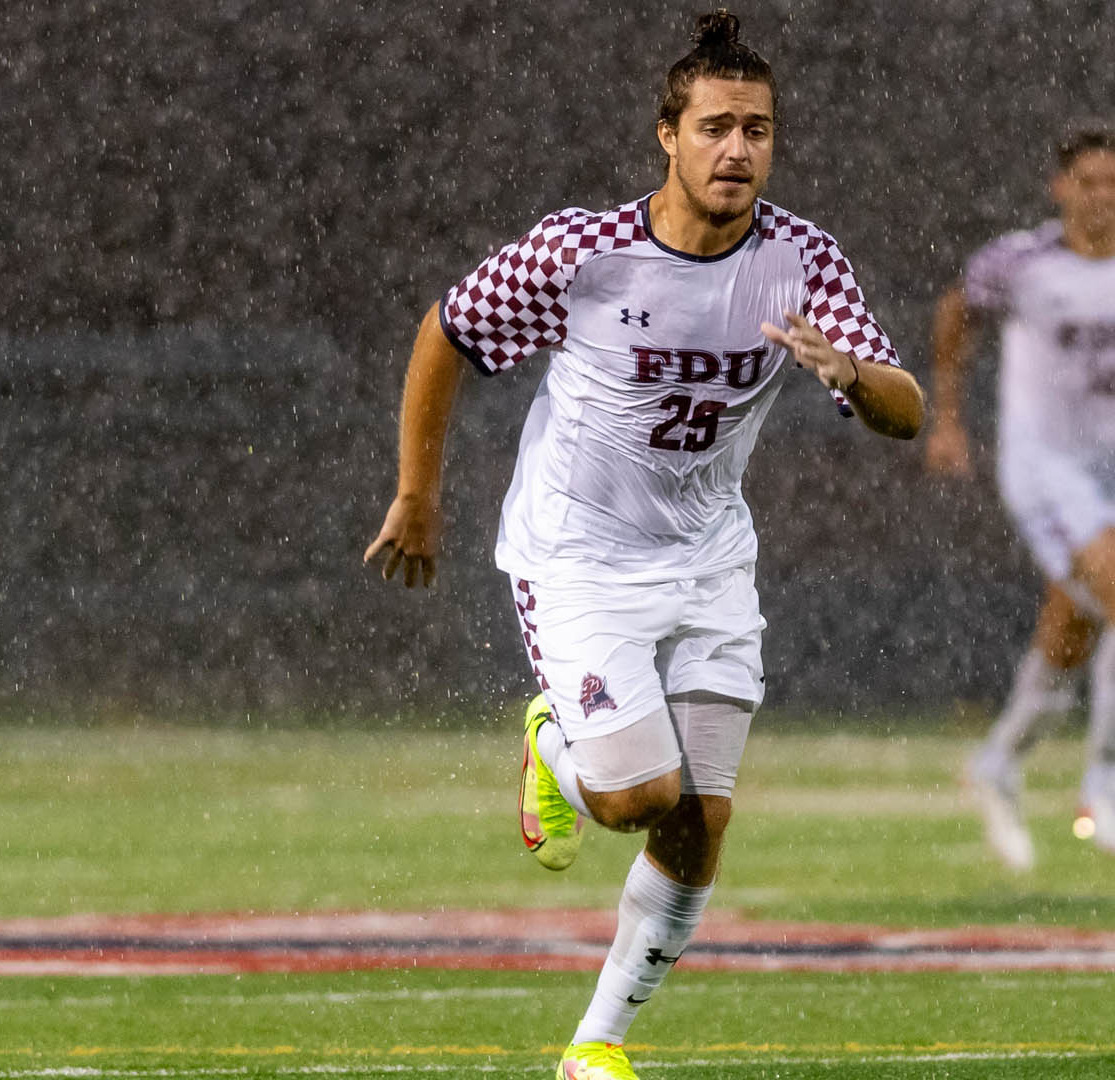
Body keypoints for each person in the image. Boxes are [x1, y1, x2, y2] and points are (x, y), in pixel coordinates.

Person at [363, 12, 922, 1079]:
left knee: (700, 822)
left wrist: (845, 373)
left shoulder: (802, 261)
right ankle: (555, 750)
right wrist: (417, 494)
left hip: (711, 560)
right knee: (636, 801)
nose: (738, 149)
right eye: (715, 127)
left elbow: (906, 408)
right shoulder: (586, 253)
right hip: (578, 561)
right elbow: (448, 334)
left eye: (757, 129)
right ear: (667, 136)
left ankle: (595, 1047)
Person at [925, 123, 1115, 871]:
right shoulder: (1020, 263)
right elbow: (955, 314)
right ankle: (1105, 780)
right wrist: (948, 417)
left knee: (1076, 626)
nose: (1102, 198)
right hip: (1046, 466)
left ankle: (999, 760)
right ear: (1059, 187)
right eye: (1087, 183)